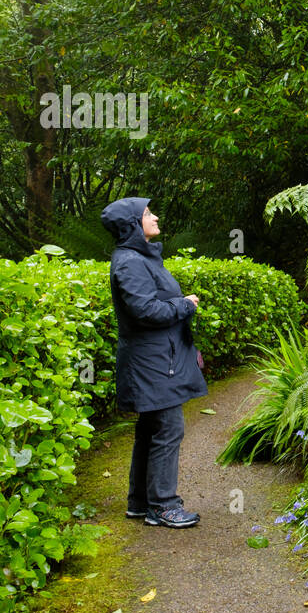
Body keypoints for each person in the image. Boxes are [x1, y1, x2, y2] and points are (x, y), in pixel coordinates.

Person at [100, 197, 207, 528]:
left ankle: (140, 502)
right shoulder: (130, 262)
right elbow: (145, 311)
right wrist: (184, 304)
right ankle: (163, 506)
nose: (155, 216)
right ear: (133, 224)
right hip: (152, 362)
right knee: (167, 427)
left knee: (150, 428)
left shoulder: (138, 257)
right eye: (147, 214)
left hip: (158, 357)